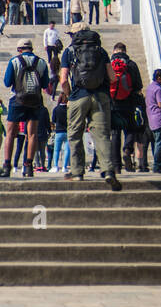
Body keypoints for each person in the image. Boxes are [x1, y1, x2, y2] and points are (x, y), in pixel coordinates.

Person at [58, 28, 122, 191]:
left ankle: (77, 172)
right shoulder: (101, 51)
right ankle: (108, 170)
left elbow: (63, 80)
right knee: (102, 135)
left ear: (75, 35)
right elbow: (113, 77)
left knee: (74, 134)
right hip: (100, 97)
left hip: (77, 97)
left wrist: (69, 94)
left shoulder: (69, 51)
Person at [0, 38, 50, 179]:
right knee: (32, 134)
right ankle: (28, 167)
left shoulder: (14, 61)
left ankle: (7, 166)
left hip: (17, 100)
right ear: (32, 48)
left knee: (10, 133)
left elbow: (7, 82)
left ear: (19, 49)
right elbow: (45, 84)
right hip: (35, 101)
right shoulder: (41, 62)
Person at [108, 42, 142, 174]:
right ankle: (127, 150)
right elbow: (138, 85)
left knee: (115, 133)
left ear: (114, 51)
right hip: (129, 102)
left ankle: (116, 166)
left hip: (112, 103)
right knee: (131, 129)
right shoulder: (131, 64)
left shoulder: (109, 64)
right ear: (125, 51)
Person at [51, 94, 70, 173]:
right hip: (68, 131)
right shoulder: (69, 109)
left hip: (59, 131)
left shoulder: (56, 109)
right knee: (67, 150)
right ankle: (64, 167)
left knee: (56, 150)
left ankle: (55, 166)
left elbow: (53, 120)